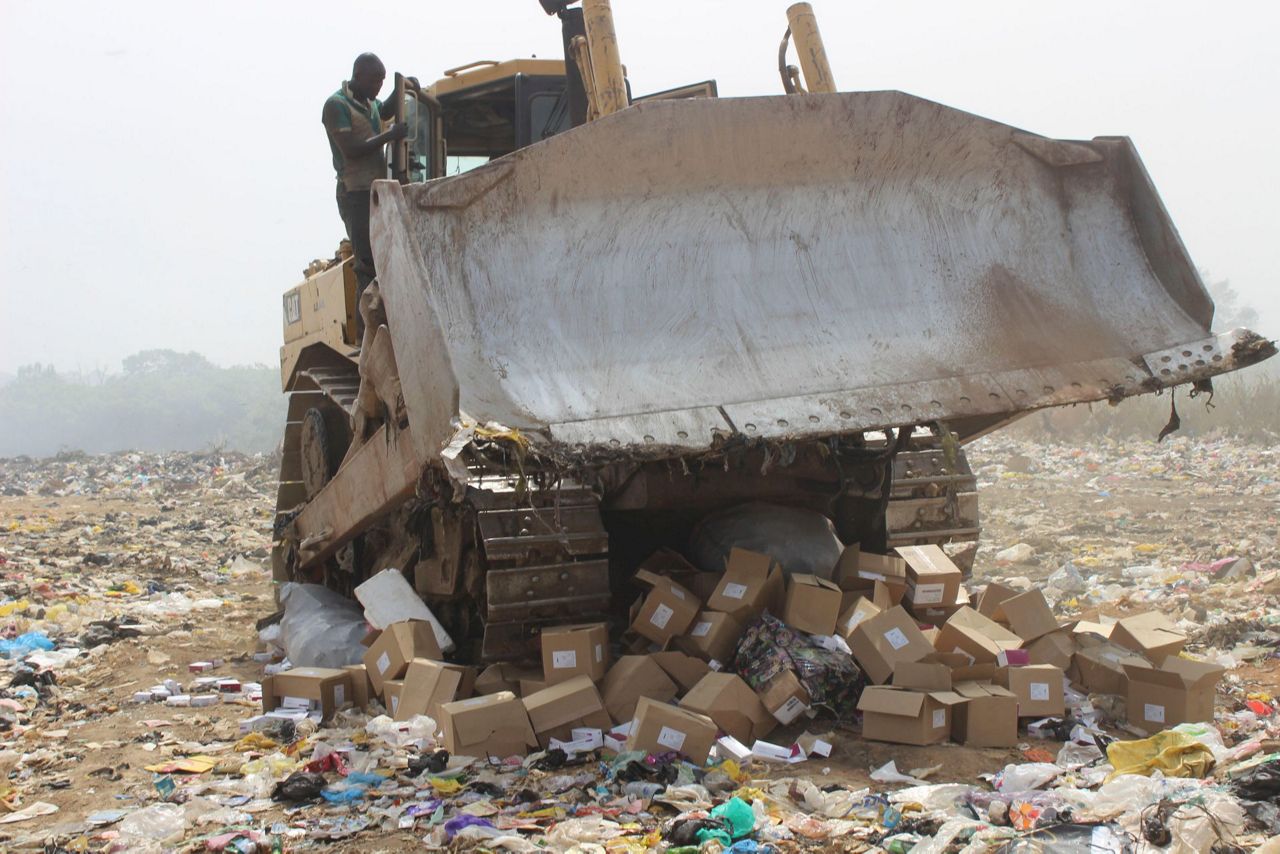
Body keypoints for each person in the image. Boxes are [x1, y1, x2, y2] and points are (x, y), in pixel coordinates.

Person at [322, 53, 406, 298]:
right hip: (354, 194)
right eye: (374, 82)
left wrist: (404, 90)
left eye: (382, 82)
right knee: (366, 266)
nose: (378, 87)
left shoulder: (370, 104)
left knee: (383, 259)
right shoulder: (336, 105)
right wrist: (389, 136)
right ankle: (365, 334)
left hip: (375, 192)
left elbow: (386, 109)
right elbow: (351, 149)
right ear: (357, 77)